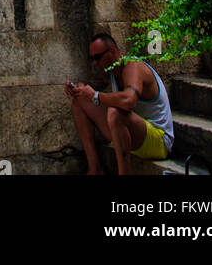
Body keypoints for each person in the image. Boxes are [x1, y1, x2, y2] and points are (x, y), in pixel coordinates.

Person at [66, 31, 174, 175]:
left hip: (159, 141)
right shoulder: (112, 72)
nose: (95, 63)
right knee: (79, 101)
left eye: (97, 58)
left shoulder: (133, 66)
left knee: (115, 112)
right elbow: (94, 88)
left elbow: (129, 101)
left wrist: (95, 95)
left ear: (112, 52)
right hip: (132, 134)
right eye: (92, 59)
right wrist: (78, 89)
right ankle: (95, 169)